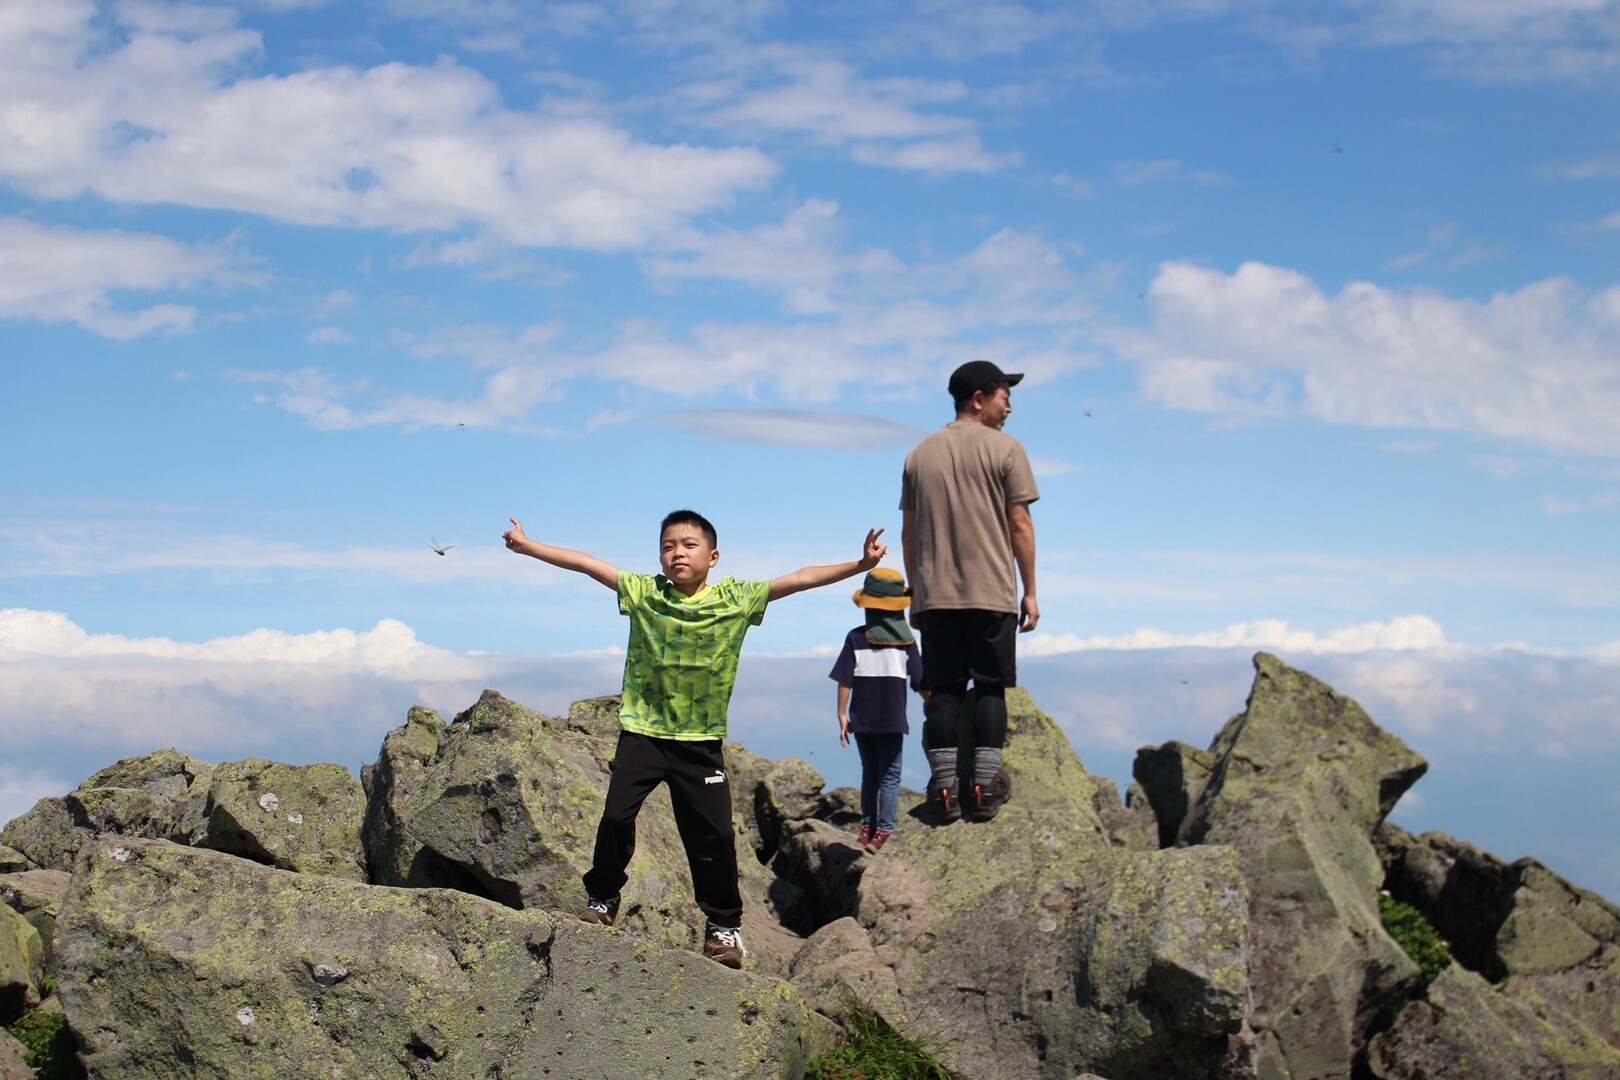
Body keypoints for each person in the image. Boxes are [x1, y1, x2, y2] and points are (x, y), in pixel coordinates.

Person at [503, 509, 886, 968]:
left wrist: (859, 566)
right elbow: (586, 562)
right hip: (643, 733)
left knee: (715, 837)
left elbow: (801, 578)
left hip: (700, 744)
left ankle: (723, 928)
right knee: (616, 819)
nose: (677, 553)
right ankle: (603, 899)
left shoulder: (738, 599)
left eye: (688, 545)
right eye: (668, 546)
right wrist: (529, 546)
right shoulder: (645, 593)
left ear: (713, 555)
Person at [899, 360, 1040, 823]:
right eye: (1004, 395)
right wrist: (1031, 589)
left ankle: (944, 788)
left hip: (936, 595)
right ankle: (982, 786)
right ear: (978, 399)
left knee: (944, 689)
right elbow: (1019, 523)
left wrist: (915, 590)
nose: (1010, 406)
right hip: (991, 591)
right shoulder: (1006, 450)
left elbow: (909, 529)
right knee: (991, 688)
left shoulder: (919, 454)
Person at [828, 567, 925, 852]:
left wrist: (842, 714)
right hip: (893, 720)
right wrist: (935, 704)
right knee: (890, 776)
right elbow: (920, 681)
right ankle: (884, 832)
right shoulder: (906, 644)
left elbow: (845, 680)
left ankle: (866, 828)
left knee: (869, 773)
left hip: (862, 718)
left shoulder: (855, 638)